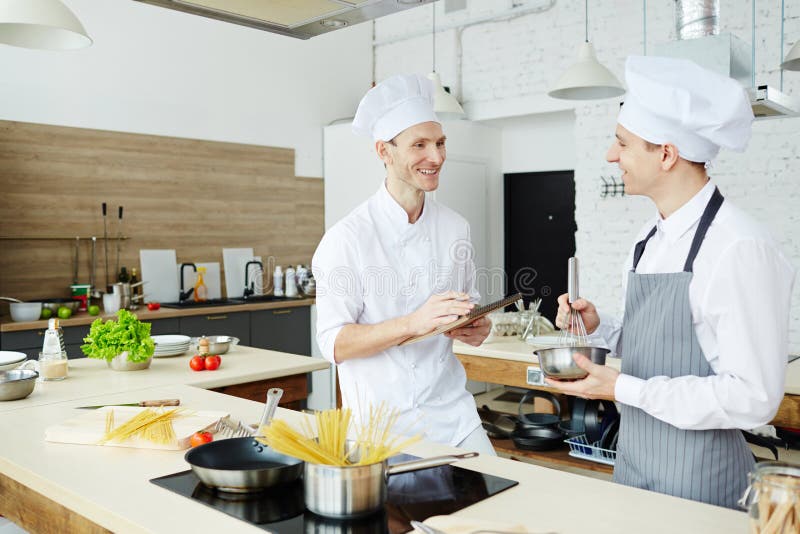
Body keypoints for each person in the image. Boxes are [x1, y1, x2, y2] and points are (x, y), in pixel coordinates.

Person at [547, 56, 795, 509]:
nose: (610, 155)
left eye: (621, 142)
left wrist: (624, 389)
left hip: (700, 486)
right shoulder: (648, 238)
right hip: (634, 466)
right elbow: (662, 341)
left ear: (666, 153)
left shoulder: (739, 247)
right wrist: (601, 327)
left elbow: (754, 397)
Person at [312, 74, 495, 454]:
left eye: (441, 143)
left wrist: (474, 326)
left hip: (454, 415)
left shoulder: (455, 228)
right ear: (384, 151)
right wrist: (413, 323)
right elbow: (333, 343)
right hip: (380, 429)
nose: (437, 157)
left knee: (497, 505)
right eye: (420, 145)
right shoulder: (347, 239)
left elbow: (468, 309)